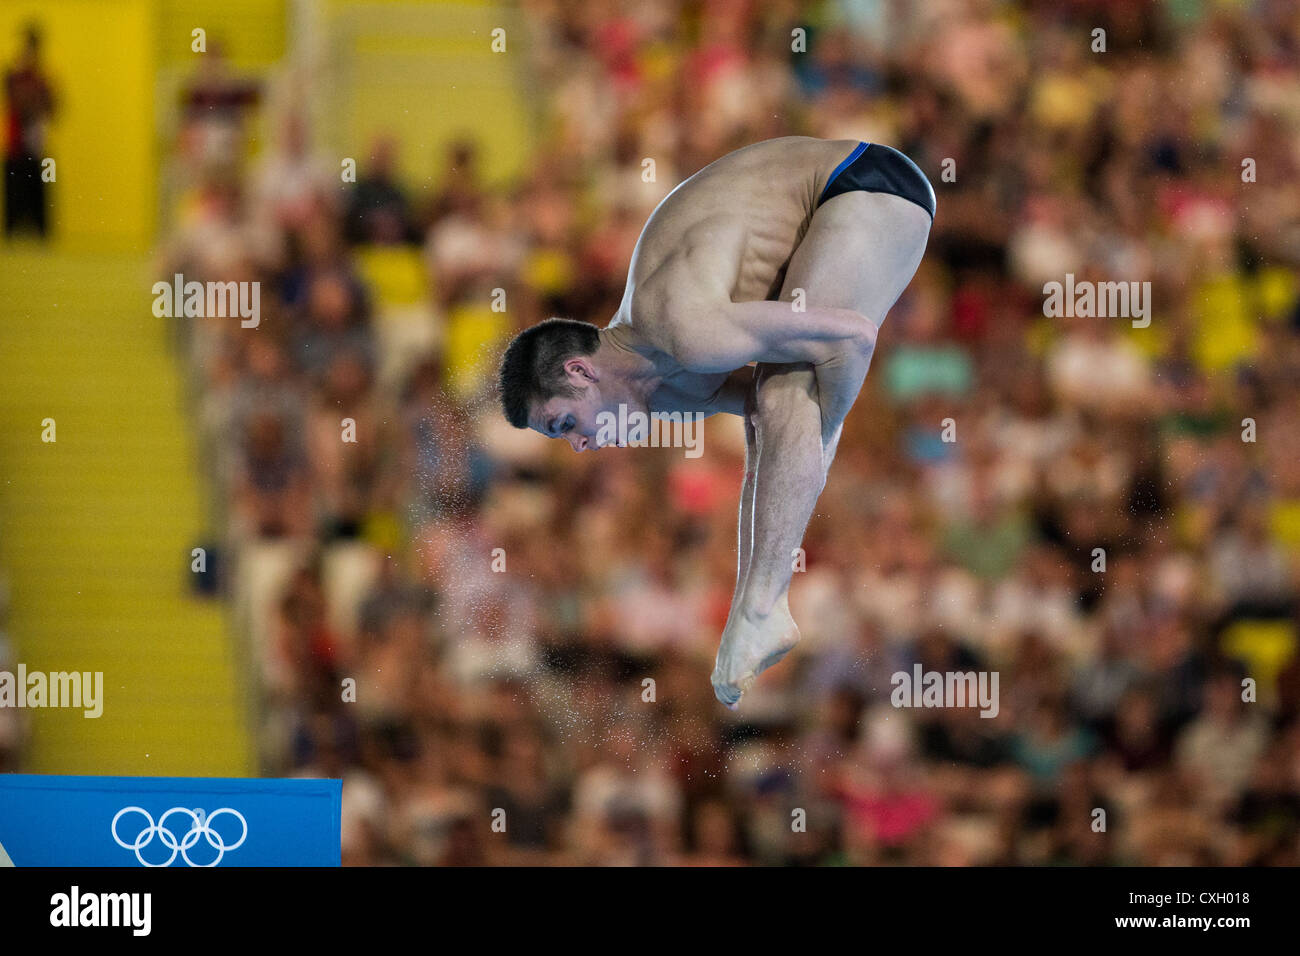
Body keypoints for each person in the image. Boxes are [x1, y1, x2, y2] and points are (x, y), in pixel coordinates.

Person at [497, 136, 934, 707]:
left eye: (564, 425)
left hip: (865, 183)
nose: (578, 446)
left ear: (580, 372)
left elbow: (854, 335)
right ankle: (754, 607)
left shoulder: (684, 329)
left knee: (788, 394)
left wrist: (827, 426)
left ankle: (760, 607)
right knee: (773, 409)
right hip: (816, 210)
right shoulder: (667, 392)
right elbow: (764, 427)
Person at [4, 23, 56, 238]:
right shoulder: (13, 76)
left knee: (44, 186)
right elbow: (15, 102)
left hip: (39, 148)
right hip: (15, 147)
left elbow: (53, 108)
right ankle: (13, 230)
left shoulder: (43, 78)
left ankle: (43, 232)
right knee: (14, 191)